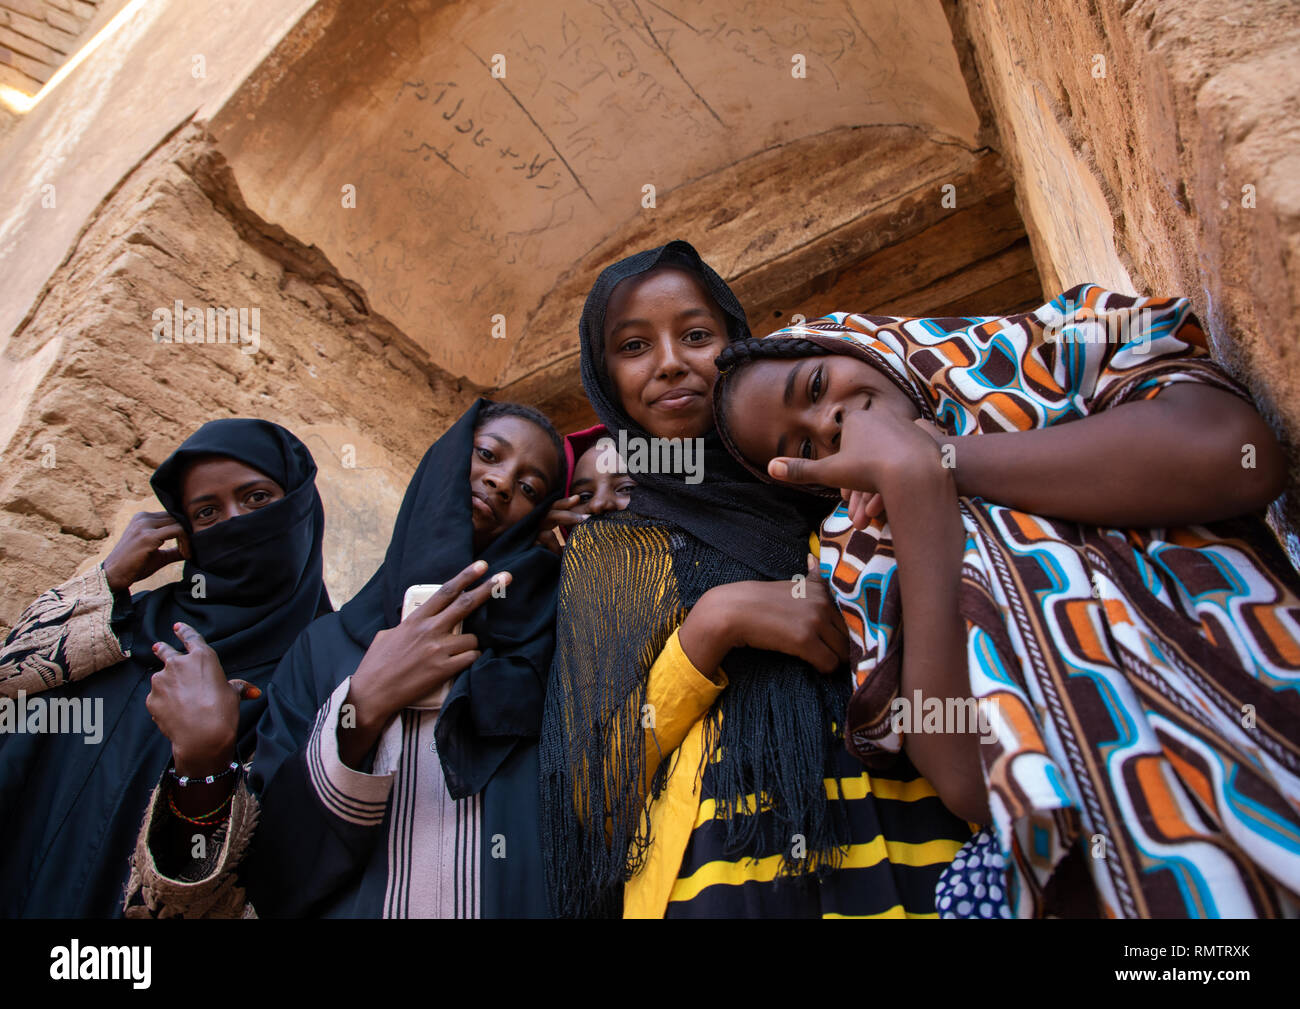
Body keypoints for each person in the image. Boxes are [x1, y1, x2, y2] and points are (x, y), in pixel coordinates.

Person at [710, 286, 1300, 917]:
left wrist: (946, 457)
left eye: (818, 383)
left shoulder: (1049, 346)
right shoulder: (856, 551)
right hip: (1149, 878)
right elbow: (967, 781)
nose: (826, 423)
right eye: (803, 450)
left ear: (858, 342)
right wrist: (916, 496)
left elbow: (1236, 455)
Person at [540, 240, 973, 919]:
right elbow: (592, 791)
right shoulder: (616, 550)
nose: (670, 361)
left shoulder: (843, 480)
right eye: (632, 346)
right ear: (606, 382)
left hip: (924, 836)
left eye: (695, 334)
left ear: (738, 344)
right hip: (722, 876)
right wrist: (714, 625)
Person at [126, 399, 566, 918]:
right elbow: (263, 873)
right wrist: (363, 705)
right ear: (444, 460)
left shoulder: (555, 642)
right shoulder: (324, 646)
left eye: (531, 487)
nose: (501, 481)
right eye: (488, 454)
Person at [0, 418, 329, 917]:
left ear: (300, 502)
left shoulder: (323, 674)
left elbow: (287, 871)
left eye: (258, 498)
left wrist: (205, 762)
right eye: (207, 511)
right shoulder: (125, 625)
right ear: (186, 532)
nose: (236, 521)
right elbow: (8, 687)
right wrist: (107, 579)